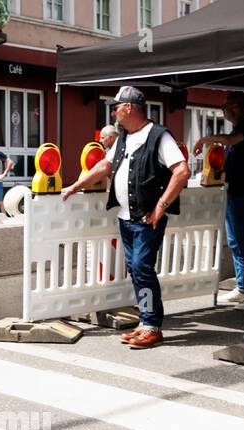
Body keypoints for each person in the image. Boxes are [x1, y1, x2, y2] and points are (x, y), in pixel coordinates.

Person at [62, 86, 190, 350]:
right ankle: (145, 323)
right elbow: (105, 166)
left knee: (142, 267)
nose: (113, 112)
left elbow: (182, 171)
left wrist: (160, 207)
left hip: (146, 219)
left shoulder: (159, 136)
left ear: (128, 108)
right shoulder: (123, 137)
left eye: (116, 107)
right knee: (135, 269)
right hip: (126, 217)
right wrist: (75, 185)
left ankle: (152, 326)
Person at [192, 90, 244, 311]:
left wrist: (205, 139)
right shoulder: (240, 128)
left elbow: (230, 140)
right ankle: (242, 288)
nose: (223, 111)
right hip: (234, 193)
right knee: (235, 243)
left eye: (225, 107)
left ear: (234, 107)